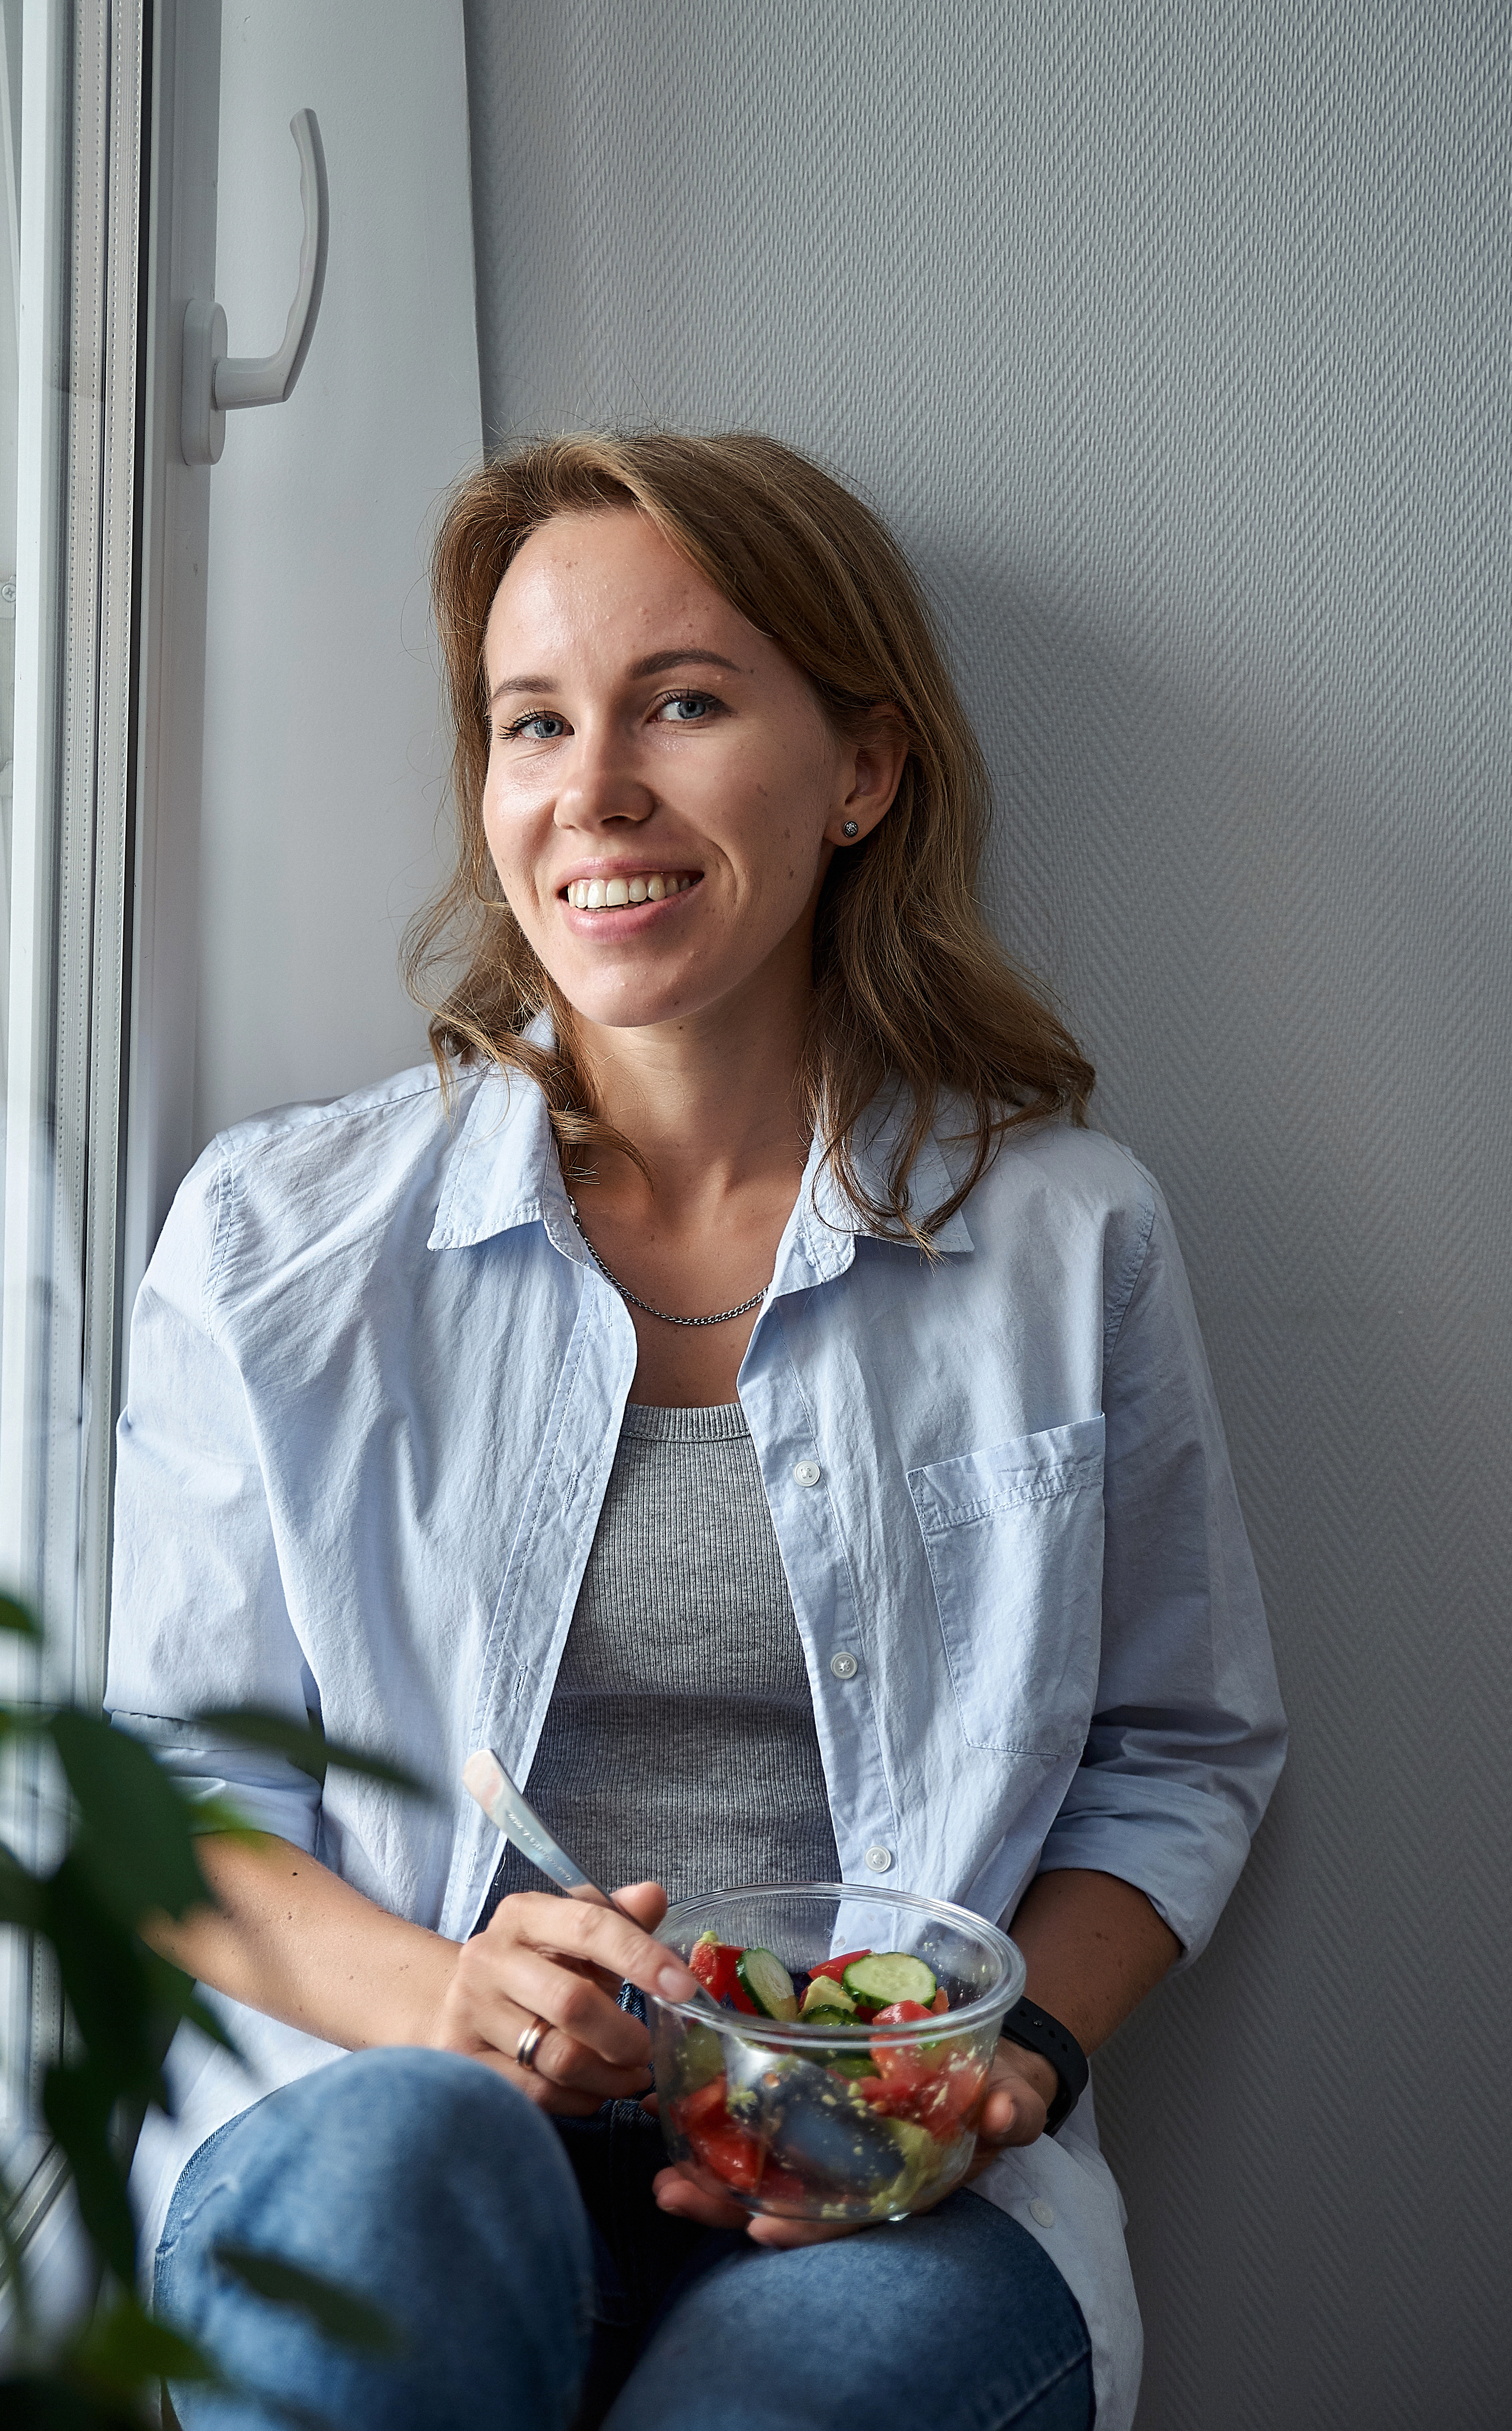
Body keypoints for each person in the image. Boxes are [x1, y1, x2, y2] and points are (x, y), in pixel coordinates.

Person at [108, 431, 1286, 2431]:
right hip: (388, 2113)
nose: (591, 792)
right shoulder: (272, 1241)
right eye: (533, 721)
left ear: (862, 771)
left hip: (885, 2194)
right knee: (400, 2181)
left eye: (680, 703)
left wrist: (1006, 2064)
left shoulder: (1071, 1239)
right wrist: (443, 1996)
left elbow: (1178, 1749)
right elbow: (172, 1779)